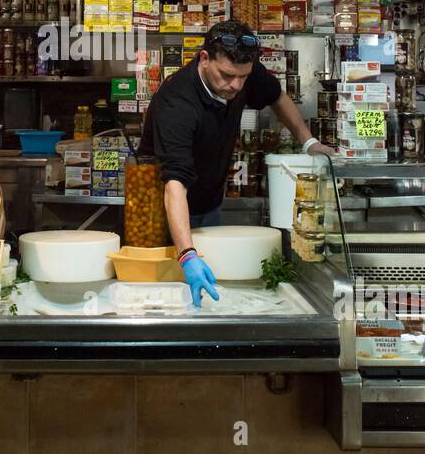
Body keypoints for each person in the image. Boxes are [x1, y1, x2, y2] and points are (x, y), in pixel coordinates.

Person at [138, 20, 335, 306]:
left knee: (211, 299)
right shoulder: (177, 104)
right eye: (227, 76)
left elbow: (276, 95)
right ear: (204, 59)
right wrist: (187, 255)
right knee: (164, 300)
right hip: (160, 212)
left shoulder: (241, 73)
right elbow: (175, 183)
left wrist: (309, 143)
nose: (236, 85)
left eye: (243, 77)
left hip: (209, 201)